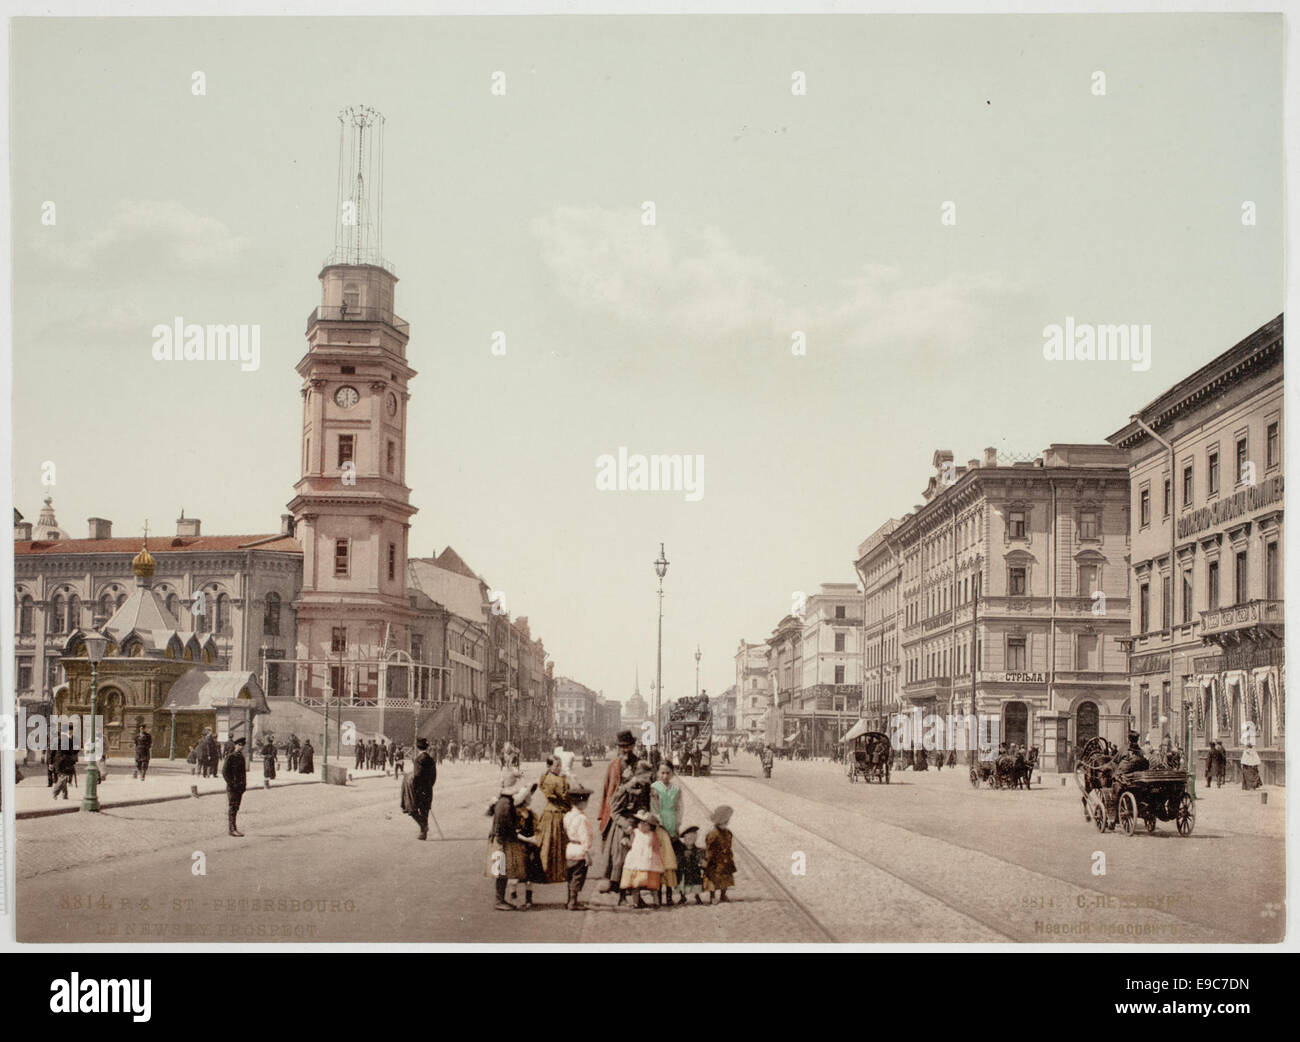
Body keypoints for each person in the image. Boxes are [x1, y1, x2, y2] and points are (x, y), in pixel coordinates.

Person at [487, 776, 537, 910]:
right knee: (501, 872)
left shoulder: (503, 801)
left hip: (500, 840)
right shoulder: (506, 804)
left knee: (502, 872)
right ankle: (499, 901)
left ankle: (500, 900)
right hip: (502, 841)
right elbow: (503, 826)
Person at [620, 810, 666, 908]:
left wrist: (656, 858)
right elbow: (631, 843)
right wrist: (626, 841)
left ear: (650, 826)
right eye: (640, 823)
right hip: (636, 861)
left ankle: (656, 902)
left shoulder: (652, 835)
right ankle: (636, 902)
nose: (642, 825)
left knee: (653, 885)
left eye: (645, 824)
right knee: (635, 884)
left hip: (649, 862)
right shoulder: (635, 832)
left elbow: (657, 847)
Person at [537, 757, 572, 883]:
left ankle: (546, 871)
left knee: (549, 843)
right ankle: (552, 872)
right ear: (550, 767)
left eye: (560, 765)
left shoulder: (548, 778)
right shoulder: (555, 779)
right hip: (555, 813)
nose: (559, 768)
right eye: (556, 765)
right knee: (554, 843)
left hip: (550, 812)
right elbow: (564, 796)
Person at [563, 785, 595, 911]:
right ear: (582, 802)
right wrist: (587, 853)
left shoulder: (568, 816)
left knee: (570, 877)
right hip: (579, 850)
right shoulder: (582, 818)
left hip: (570, 848)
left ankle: (569, 900)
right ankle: (573, 902)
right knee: (577, 877)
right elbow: (585, 836)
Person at [512, 783, 543, 908]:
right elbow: (514, 833)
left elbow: (537, 829)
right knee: (516, 874)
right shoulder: (517, 815)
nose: (531, 799)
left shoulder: (531, 814)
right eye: (529, 797)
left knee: (530, 874)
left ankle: (529, 899)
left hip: (531, 847)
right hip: (520, 846)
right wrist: (528, 839)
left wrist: (536, 838)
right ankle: (514, 897)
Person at [401, 737, 438, 840]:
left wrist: (414, 785)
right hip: (428, 789)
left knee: (412, 810)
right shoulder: (431, 760)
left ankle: (423, 827)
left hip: (419, 789)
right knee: (424, 811)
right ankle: (423, 834)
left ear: (417, 748)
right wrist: (429, 785)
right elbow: (434, 776)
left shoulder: (418, 760)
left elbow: (417, 775)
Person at [703, 805, 737, 904]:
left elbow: (729, 845)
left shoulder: (728, 833)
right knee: (713, 879)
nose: (726, 824)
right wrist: (708, 860)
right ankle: (712, 896)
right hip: (715, 861)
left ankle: (723, 894)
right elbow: (709, 849)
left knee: (726, 879)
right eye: (724, 822)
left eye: (727, 822)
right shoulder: (713, 834)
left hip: (726, 860)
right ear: (718, 822)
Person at [223, 737, 248, 837]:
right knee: (232, 807)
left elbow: (243, 773)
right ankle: (232, 829)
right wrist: (231, 783)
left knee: (236, 807)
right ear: (235, 745)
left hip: (239, 787)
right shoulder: (230, 757)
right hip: (233, 787)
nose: (241, 747)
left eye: (242, 746)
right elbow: (225, 772)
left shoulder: (241, 757)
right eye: (239, 745)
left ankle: (234, 827)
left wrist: (244, 785)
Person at [674, 825, 705, 905]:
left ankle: (697, 896)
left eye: (694, 836)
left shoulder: (697, 849)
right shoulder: (681, 848)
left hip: (693, 868)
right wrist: (682, 857)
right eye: (689, 838)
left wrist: (700, 860)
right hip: (683, 868)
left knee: (696, 881)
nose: (691, 840)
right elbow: (678, 857)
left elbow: (699, 857)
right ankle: (682, 896)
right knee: (681, 882)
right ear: (685, 838)